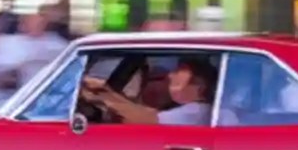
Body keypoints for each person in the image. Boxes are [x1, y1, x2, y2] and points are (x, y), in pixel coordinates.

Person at [81, 57, 216, 126]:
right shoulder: (195, 110)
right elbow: (147, 112)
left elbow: (146, 119)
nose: (170, 76)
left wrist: (105, 99)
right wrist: (106, 93)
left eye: (178, 71)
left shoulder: (198, 111)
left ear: (199, 82)